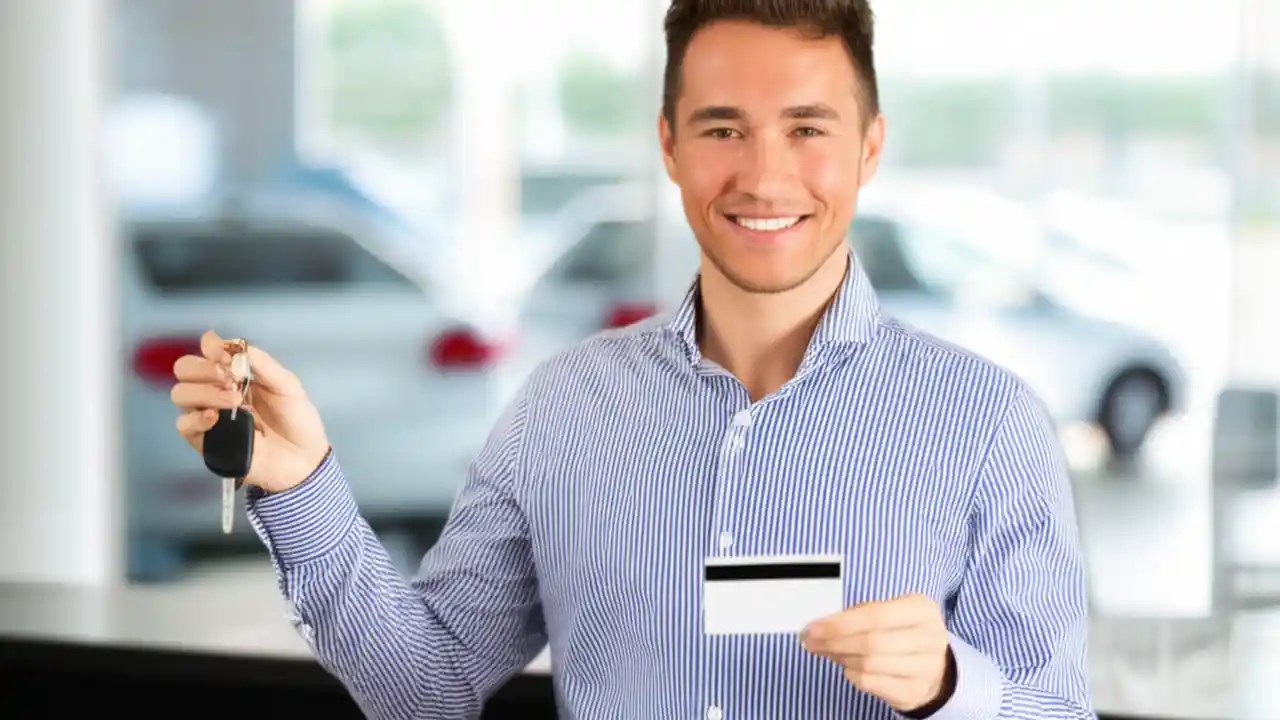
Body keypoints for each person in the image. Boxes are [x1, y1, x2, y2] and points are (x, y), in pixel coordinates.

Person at [170, 1, 1095, 717]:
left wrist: (947, 686)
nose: (765, 176)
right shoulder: (565, 408)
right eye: (723, 128)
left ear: (870, 148)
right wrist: (300, 486)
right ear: (669, 146)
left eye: (808, 129)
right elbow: (427, 688)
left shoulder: (988, 427)